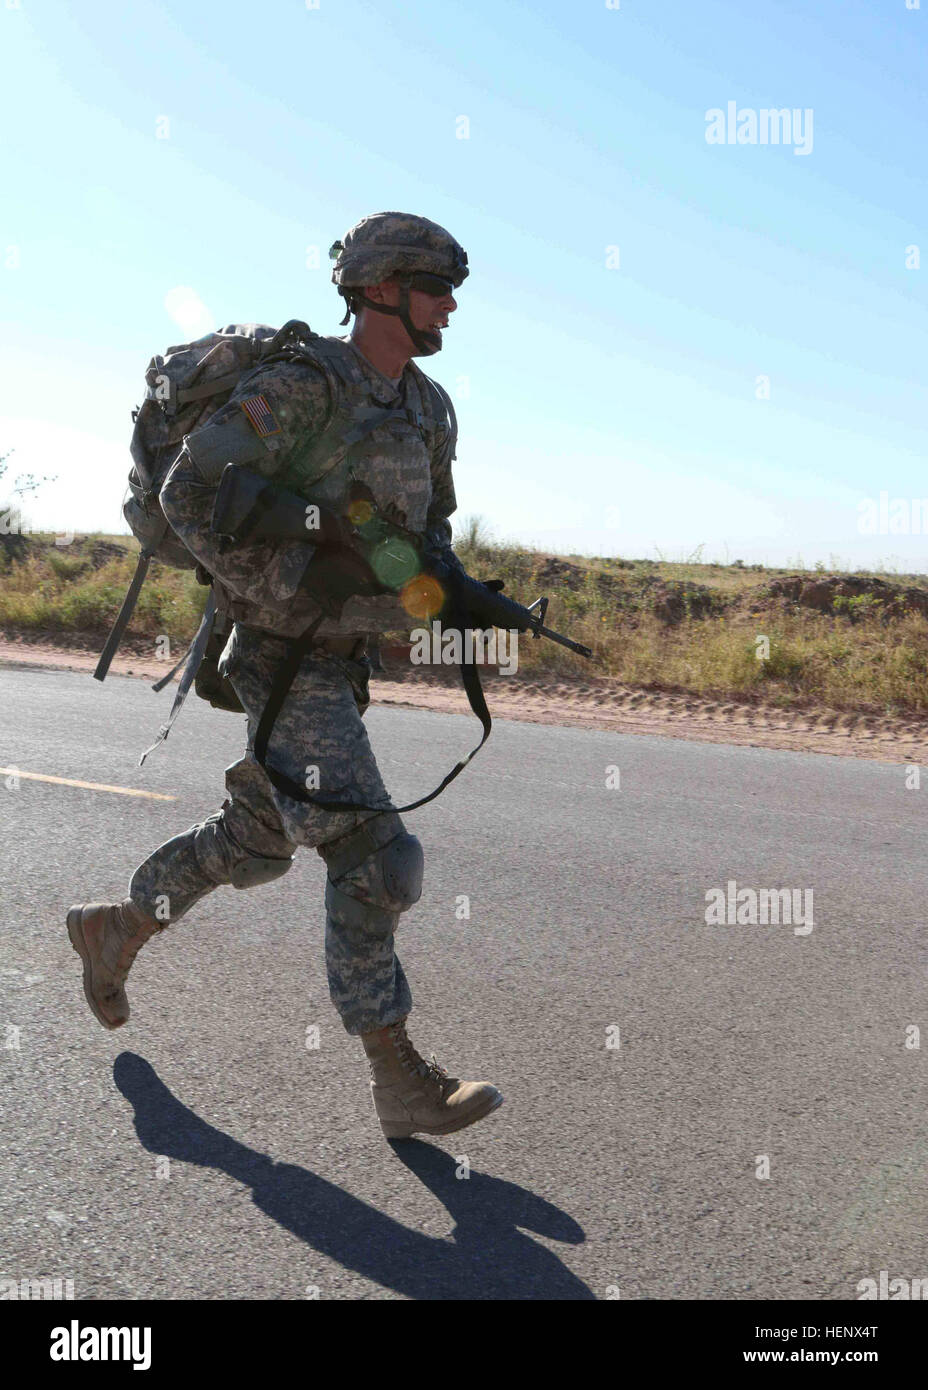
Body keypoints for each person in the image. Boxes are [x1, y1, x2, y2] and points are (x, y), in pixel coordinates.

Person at [67, 212, 503, 1141]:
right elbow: (190, 494)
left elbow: (425, 542)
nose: (452, 305)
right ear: (380, 289)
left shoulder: (429, 408)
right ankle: (400, 1080)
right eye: (436, 288)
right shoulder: (302, 387)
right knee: (377, 855)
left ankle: (117, 927)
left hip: (337, 665)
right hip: (273, 654)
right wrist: (293, 578)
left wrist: (456, 601)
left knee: (255, 842)